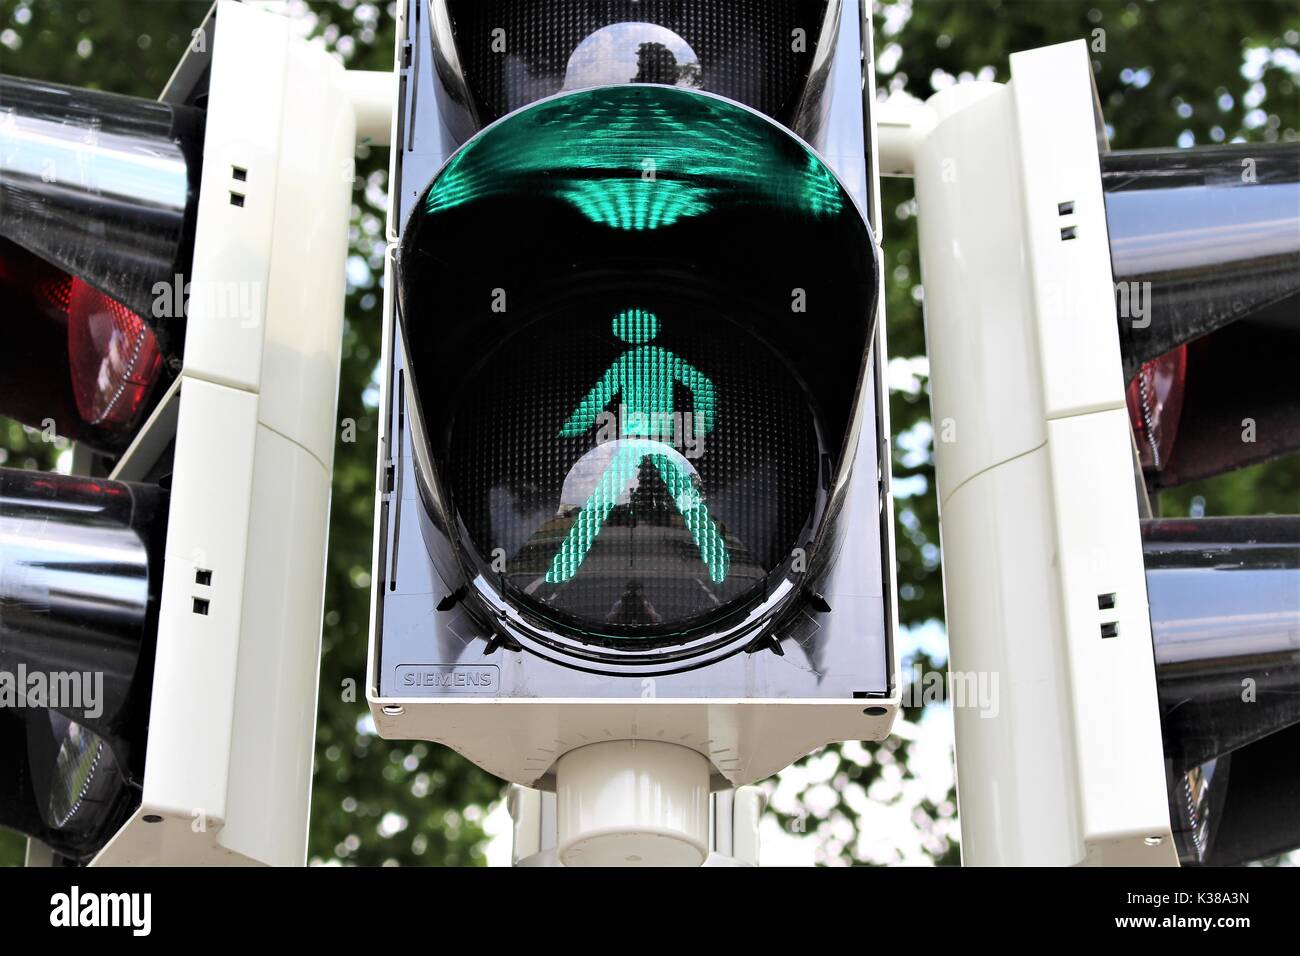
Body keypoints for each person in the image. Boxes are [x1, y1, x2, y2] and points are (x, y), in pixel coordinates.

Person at [545, 308, 729, 584]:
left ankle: (563, 568)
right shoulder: (659, 359)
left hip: (636, 441)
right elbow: (703, 386)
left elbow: (596, 400)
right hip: (658, 441)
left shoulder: (630, 361)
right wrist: (702, 425)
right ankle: (718, 565)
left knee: (600, 502)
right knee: (688, 503)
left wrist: (569, 429)